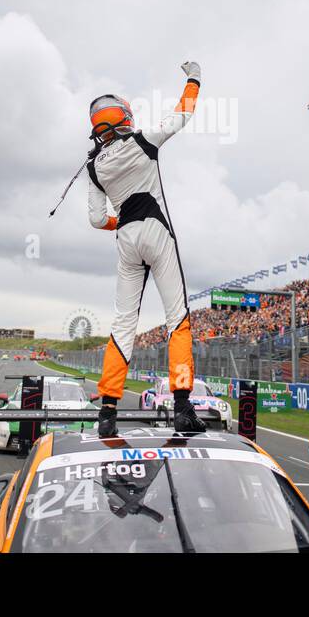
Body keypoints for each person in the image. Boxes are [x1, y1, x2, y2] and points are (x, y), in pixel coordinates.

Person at [87, 61, 205, 438]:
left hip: (125, 238)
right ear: (124, 117)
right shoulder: (142, 141)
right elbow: (183, 114)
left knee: (123, 323)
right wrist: (194, 79)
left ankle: (107, 408)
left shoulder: (93, 167)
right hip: (157, 232)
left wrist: (117, 224)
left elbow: (94, 218)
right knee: (177, 319)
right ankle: (183, 406)